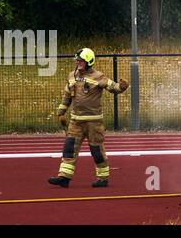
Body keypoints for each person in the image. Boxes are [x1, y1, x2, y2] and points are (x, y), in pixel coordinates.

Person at [46, 48, 128, 188]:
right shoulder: (72, 76)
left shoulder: (98, 76)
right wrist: (61, 111)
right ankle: (64, 177)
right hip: (75, 121)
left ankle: (103, 179)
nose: (78, 62)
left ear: (89, 61)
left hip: (94, 122)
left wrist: (121, 87)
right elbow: (67, 95)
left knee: (97, 150)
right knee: (69, 148)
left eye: (81, 60)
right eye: (77, 60)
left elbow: (112, 86)